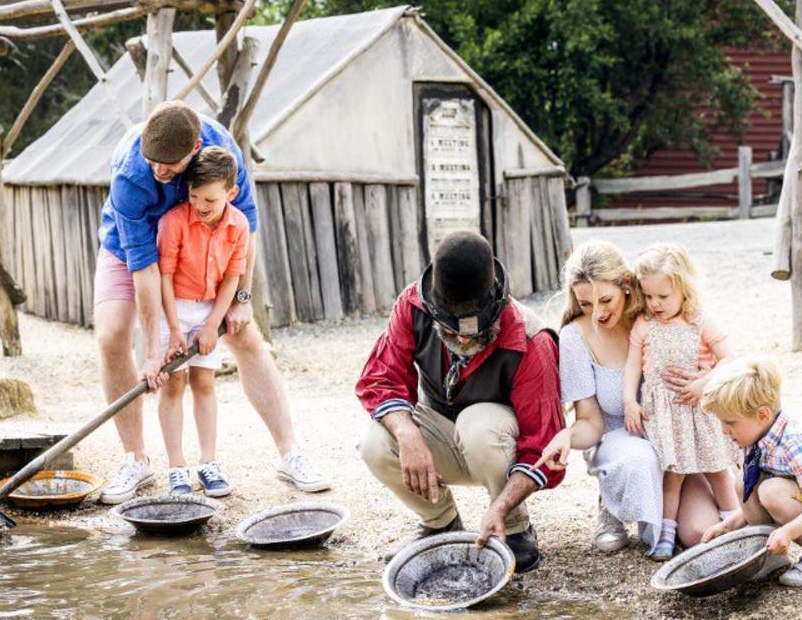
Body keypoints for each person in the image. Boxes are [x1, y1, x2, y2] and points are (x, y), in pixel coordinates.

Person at [94, 100, 328, 504]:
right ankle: (136, 460)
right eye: (152, 161)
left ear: (196, 148)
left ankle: (290, 453)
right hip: (131, 244)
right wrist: (153, 352)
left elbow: (246, 226)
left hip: (202, 238)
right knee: (111, 335)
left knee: (245, 335)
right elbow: (145, 268)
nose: (159, 171)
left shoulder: (221, 148)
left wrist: (242, 299)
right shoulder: (131, 174)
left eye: (169, 165)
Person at [356, 231, 563, 573]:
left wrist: (501, 505)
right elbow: (381, 378)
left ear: (497, 304)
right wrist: (407, 434)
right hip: (440, 434)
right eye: (451, 330)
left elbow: (544, 446)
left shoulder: (532, 340)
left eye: (474, 331)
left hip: (496, 445)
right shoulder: (412, 306)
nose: (464, 339)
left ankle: (513, 527)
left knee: (477, 424)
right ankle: (440, 523)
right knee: (374, 443)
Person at [537, 241, 732, 555]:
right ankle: (613, 500)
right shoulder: (576, 336)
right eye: (586, 304)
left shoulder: (657, 312)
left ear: (626, 285)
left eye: (606, 300)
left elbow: (721, 354)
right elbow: (590, 423)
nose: (597, 313)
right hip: (622, 440)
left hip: (679, 437)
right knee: (642, 459)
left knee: (700, 532)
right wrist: (567, 436)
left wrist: (705, 376)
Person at [622, 242, 740, 560]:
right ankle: (665, 534)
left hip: (700, 411)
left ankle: (735, 524)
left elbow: (730, 358)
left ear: (684, 289)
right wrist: (630, 401)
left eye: (663, 296)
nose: (655, 304)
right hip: (666, 415)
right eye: (648, 296)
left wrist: (705, 382)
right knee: (672, 475)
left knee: (718, 469)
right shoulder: (645, 324)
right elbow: (632, 366)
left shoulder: (700, 320)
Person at [700, 357, 802, 587]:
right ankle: (770, 557)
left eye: (730, 422)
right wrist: (727, 525)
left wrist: (787, 532)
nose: (724, 430)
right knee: (744, 481)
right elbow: (752, 495)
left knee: (771, 490)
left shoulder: (796, 442)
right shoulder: (754, 439)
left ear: (762, 415)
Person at [156, 147, 247, 497]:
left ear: (231, 192)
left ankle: (208, 463)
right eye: (194, 196)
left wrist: (212, 324)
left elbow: (233, 277)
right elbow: (164, 277)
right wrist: (174, 329)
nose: (200, 205)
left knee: (204, 381)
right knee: (173, 383)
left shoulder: (238, 225)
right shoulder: (173, 222)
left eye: (210, 199)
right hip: (174, 308)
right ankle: (176, 467)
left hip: (209, 309)